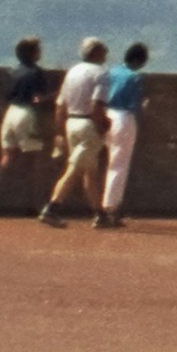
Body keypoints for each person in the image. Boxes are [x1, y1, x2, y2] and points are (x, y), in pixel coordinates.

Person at [39, 38, 110, 226]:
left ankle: (100, 213)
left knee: (90, 169)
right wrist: (101, 127)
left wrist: (60, 132)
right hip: (88, 125)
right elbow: (97, 105)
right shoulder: (101, 74)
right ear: (96, 53)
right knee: (76, 168)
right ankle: (52, 207)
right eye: (104, 50)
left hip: (72, 123)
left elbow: (60, 105)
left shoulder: (73, 72)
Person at [0, 38, 55, 213]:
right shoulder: (36, 73)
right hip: (27, 114)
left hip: (11, 113)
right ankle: (35, 204)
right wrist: (55, 95)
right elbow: (38, 98)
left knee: (6, 158)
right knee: (33, 161)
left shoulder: (12, 72)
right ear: (33, 53)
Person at [93, 43, 148, 228]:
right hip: (123, 118)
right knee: (119, 164)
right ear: (139, 60)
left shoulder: (111, 72)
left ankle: (101, 208)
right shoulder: (135, 77)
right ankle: (110, 209)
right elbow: (135, 105)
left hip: (106, 114)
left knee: (104, 162)